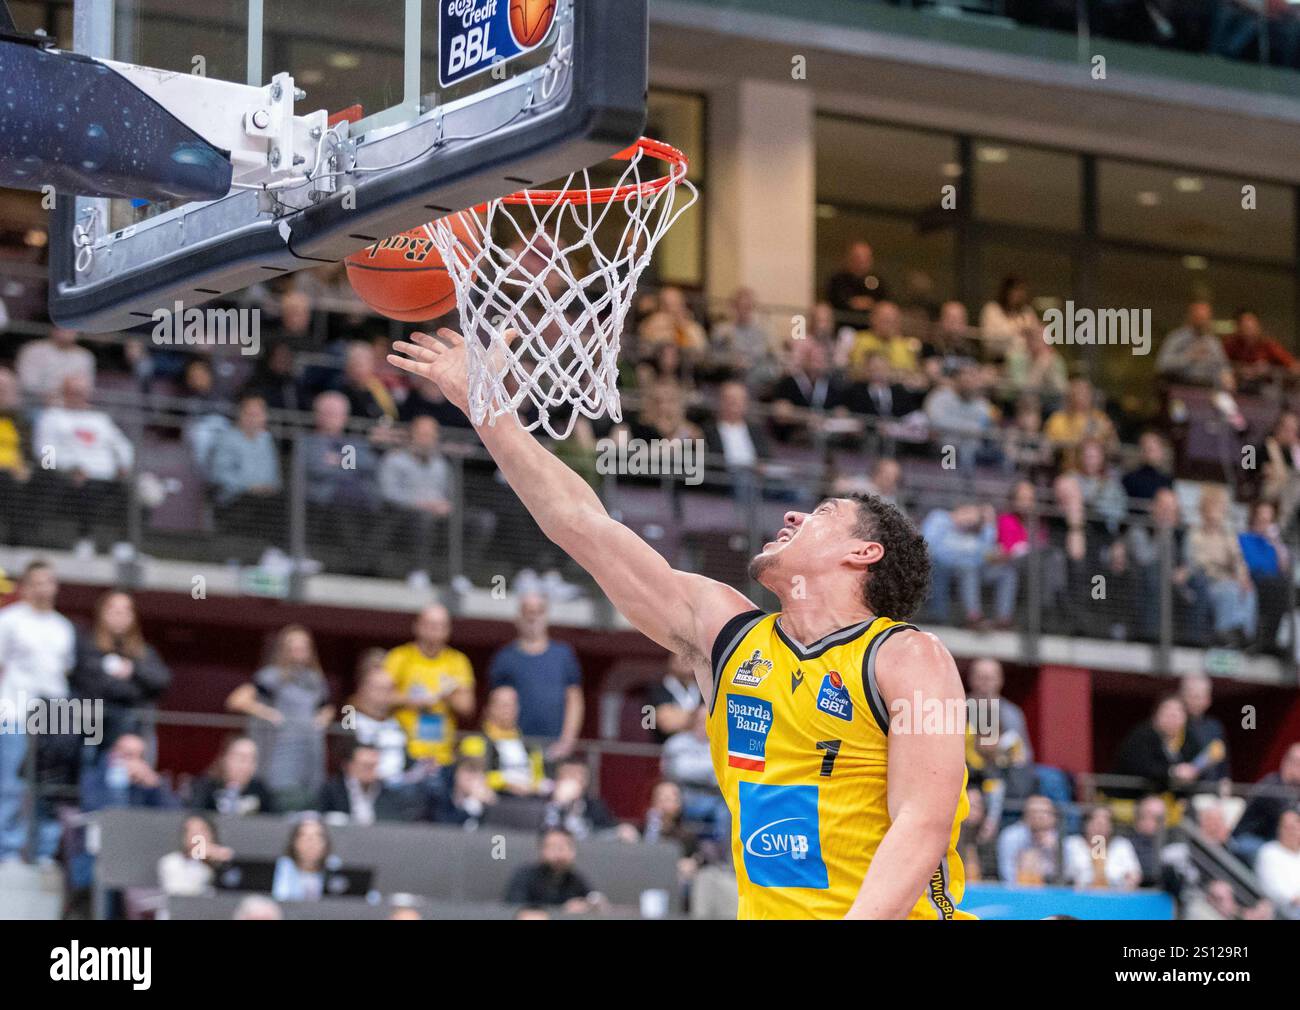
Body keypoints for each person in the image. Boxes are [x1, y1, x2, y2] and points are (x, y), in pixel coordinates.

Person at [390, 327, 974, 919]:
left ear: (863, 554)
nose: (795, 512)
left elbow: (922, 824)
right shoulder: (728, 632)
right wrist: (488, 410)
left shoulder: (909, 658)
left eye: (824, 513)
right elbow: (581, 525)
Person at [0, 561, 76, 864]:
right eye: (38, 582)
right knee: (10, 783)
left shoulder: (63, 626)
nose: (44, 587)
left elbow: (65, 670)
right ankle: (6, 849)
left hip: (54, 715)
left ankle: (44, 850)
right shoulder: (9, 619)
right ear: (26, 586)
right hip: (13, 712)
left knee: (49, 784)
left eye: (49, 581)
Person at [225, 624, 332, 809]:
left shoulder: (315, 680)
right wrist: (269, 714)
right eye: (294, 646)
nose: (299, 651)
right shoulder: (271, 677)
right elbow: (237, 700)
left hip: (309, 754)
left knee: (311, 801)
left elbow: (327, 706)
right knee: (286, 799)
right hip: (280, 753)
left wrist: (321, 720)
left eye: (304, 646)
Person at [69, 590, 171, 758]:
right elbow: (93, 686)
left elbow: (162, 681)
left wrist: (133, 670)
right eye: (114, 610)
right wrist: (136, 688)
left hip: (133, 735)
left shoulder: (143, 653)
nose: (120, 616)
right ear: (102, 613)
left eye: (125, 611)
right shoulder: (87, 648)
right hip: (92, 733)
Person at [488, 593, 584, 759]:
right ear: (518, 617)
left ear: (546, 616)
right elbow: (496, 704)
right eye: (527, 611)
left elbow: (574, 699)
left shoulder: (563, 654)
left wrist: (567, 741)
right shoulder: (505, 657)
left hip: (555, 748)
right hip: (512, 747)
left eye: (539, 611)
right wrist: (502, 741)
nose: (533, 617)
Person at [385, 604, 476, 769]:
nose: (435, 630)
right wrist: (415, 700)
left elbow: (467, 706)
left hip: (443, 755)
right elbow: (380, 697)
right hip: (403, 751)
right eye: (430, 624)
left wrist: (447, 696)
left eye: (441, 625)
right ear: (417, 626)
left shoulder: (457, 661)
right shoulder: (399, 657)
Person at [1188, 485, 1257, 648]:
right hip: (1209, 582)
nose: (1220, 511)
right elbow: (1200, 563)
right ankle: (1224, 634)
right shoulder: (1196, 533)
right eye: (1216, 506)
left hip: (1230, 580)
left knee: (1248, 590)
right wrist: (1225, 573)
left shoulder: (1227, 534)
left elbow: (1238, 559)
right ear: (1205, 508)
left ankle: (1245, 635)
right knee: (1229, 590)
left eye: (1222, 507)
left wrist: (1242, 577)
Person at [1110, 696, 1202, 799]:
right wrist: (1173, 772)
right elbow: (1142, 768)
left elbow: (1198, 769)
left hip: (1176, 801)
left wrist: (1193, 772)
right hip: (1133, 797)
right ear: (1156, 716)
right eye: (1167, 713)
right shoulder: (1141, 736)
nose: (1172, 719)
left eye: (1177, 715)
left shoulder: (1189, 740)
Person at [503, 827, 602, 912]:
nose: (560, 853)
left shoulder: (575, 878)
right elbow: (514, 908)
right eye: (554, 847)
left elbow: (593, 898)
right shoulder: (525, 875)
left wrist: (589, 906)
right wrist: (562, 910)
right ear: (542, 850)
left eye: (566, 846)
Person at [1232, 743, 1300, 865]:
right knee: (1278, 859)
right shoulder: (1272, 786)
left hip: (1268, 844)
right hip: (1245, 840)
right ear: (1287, 762)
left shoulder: (1293, 792)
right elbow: (1289, 821)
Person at [317, 741, 415, 825]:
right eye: (366, 766)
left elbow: (394, 822)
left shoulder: (388, 794)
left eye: (374, 765)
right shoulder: (332, 791)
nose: (371, 770)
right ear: (349, 766)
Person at [190, 735, 276, 816]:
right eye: (242, 758)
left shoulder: (261, 791)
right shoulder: (206, 787)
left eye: (252, 759)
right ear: (225, 758)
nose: (246, 765)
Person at [1062, 806, 1141, 890]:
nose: (1100, 828)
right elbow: (1061, 874)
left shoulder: (1122, 845)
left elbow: (1134, 875)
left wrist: (1127, 887)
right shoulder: (1072, 843)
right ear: (1086, 824)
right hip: (1078, 895)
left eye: (1105, 823)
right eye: (1096, 823)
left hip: (1115, 895)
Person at [157, 814, 234, 897]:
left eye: (201, 830)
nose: (195, 834)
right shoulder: (170, 862)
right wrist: (199, 860)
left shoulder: (223, 859)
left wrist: (218, 865)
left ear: (212, 834)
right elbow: (180, 893)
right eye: (190, 831)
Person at [1156, 300, 1227, 386]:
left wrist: (1226, 374)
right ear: (1191, 317)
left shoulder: (1213, 342)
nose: (1202, 322)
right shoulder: (1176, 338)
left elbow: (1222, 366)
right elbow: (1162, 364)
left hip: (1207, 387)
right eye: (1199, 318)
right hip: (1181, 385)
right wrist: (1189, 356)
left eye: (1205, 318)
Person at [996, 794, 1062, 884]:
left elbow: (1067, 876)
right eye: (1034, 812)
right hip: (1019, 892)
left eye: (1045, 813)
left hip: (1052, 891)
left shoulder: (1062, 839)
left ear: (1054, 817)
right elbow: (1007, 873)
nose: (1039, 817)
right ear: (1025, 815)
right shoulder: (1011, 836)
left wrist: (1054, 850)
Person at [15, 328, 95, 402]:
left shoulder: (85, 356)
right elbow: (27, 383)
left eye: (72, 329)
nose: (67, 332)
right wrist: (51, 396)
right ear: (53, 329)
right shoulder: (32, 350)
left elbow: (86, 388)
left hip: (70, 405)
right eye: (63, 328)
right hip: (34, 402)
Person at [272, 817, 332, 902]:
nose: (311, 843)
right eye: (304, 837)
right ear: (294, 842)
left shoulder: (335, 870)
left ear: (326, 843)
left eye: (317, 837)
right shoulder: (278, 869)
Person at [826, 240, 888, 324]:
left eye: (866, 258)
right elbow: (838, 302)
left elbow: (883, 303)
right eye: (858, 257)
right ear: (849, 258)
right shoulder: (838, 280)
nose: (862, 262)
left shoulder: (877, 281)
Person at [647, 652, 702, 744]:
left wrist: (681, 717)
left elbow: (718, 723)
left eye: (689, 657)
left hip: (705, 752)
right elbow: (666, 723)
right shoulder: (657, 690)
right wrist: (700, 717)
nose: (685, 661)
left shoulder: (706, 690)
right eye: (680, 656)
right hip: (670, 751)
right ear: (671, 660)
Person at [1255, 808, 1300, 919]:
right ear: (1279, 829)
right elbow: (1271, 888)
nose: (1291, 832)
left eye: (1294, 828)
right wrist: (1294, 899)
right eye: (1286, 827)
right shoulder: (1268, 852)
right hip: (1280, 912)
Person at [978, 276, 1038, 361]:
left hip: (1026, 360)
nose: (1019, 295)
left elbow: (1036, 337)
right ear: (1006, 291)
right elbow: (988, 340)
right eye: (1016, 290)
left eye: (1022, 291)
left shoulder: (1027, 312)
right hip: (999, 360)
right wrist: (1016, 332)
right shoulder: (992, 310)